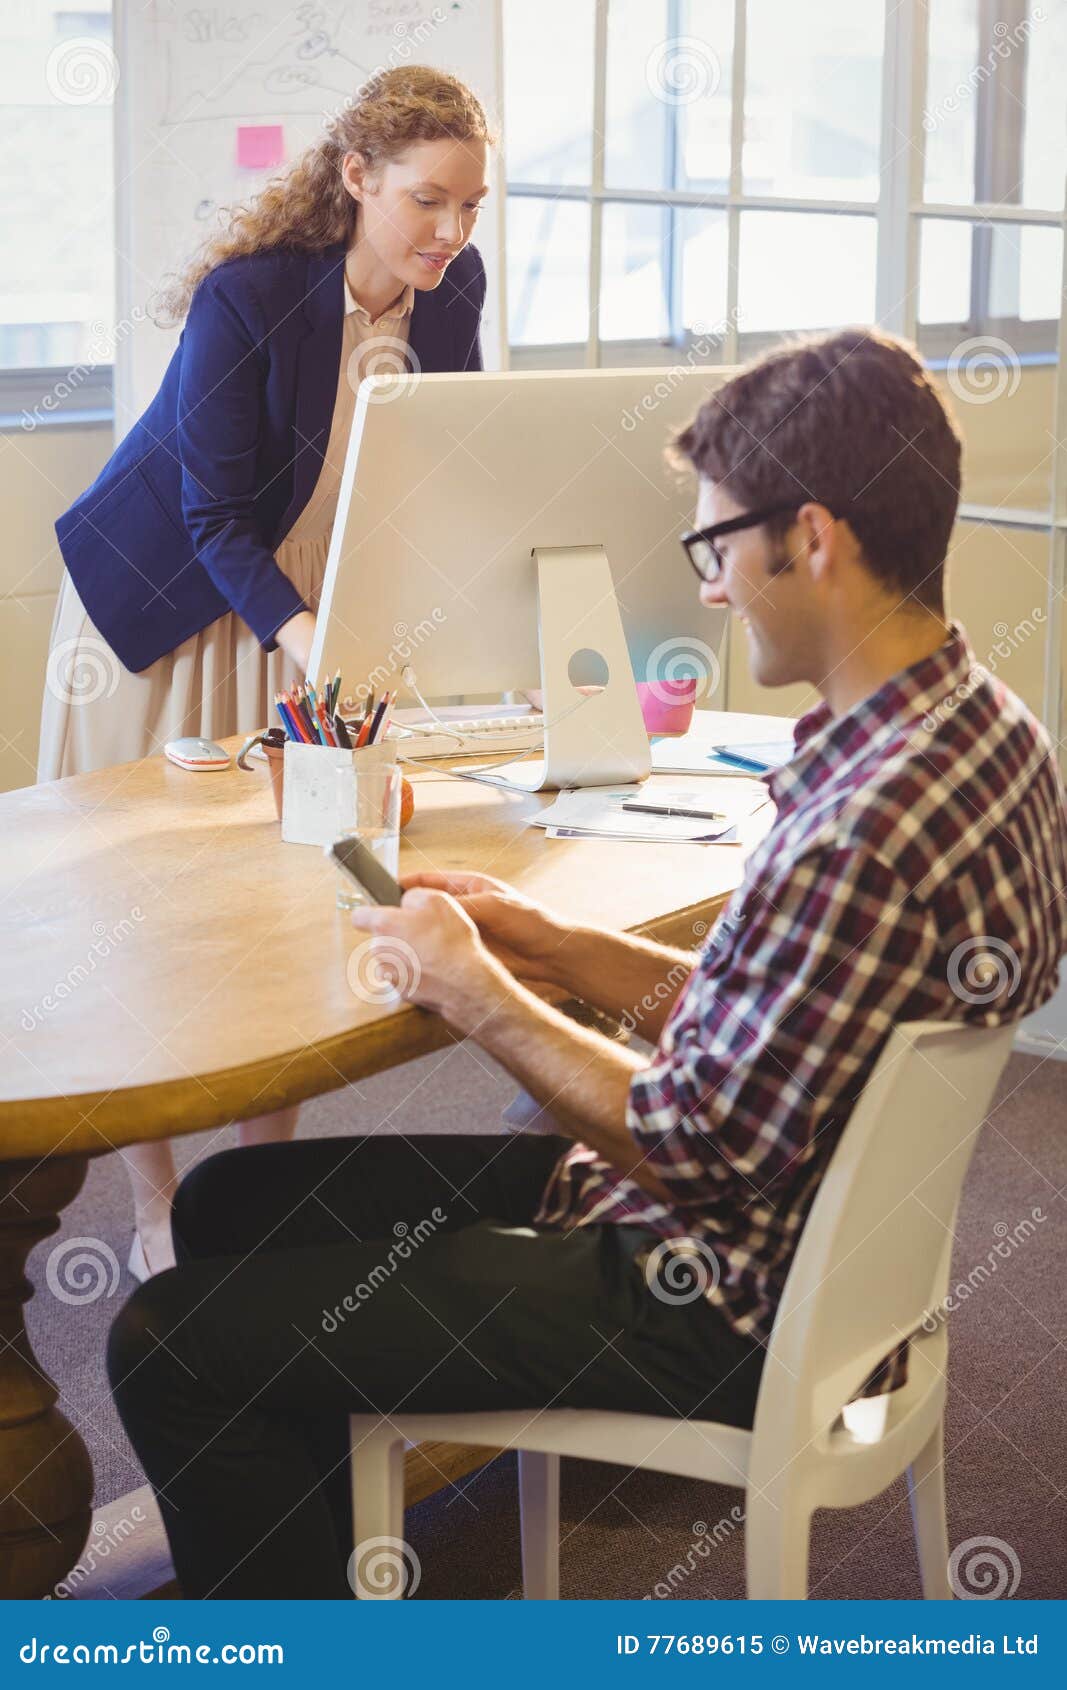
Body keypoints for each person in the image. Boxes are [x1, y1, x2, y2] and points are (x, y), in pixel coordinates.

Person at [107, 329, 1067, 1598]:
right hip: (796, 1242)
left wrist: (473, 987)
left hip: (705, 1291)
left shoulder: (857, 827)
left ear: (814, 537)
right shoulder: (985, 738)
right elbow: (769, 1021)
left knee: (165, 1341)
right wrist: (555, 942)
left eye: (716, 545)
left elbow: (686, 1142)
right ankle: (308, 1566)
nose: (712, 589)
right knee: (224, 1210)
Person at [38, 65, 492, 1280]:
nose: (449, 233)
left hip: (310, 615)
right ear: (356, 179)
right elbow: (210, 516)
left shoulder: (452, 294)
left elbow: (443, 464)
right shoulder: (249, 299)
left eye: (470, 206)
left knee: (287, 919)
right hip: (178, 609)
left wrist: (432, 625)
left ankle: (245, 1201)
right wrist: (316, 647)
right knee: (158, 929)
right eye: (425, 202)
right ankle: (153, 1205)